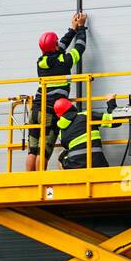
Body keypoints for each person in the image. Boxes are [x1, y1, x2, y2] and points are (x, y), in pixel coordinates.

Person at [24, 11, 87, 171]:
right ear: (54, 46)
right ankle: (40, 181)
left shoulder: (41, 62)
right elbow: (79, 48)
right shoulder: (63, 62)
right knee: (43, 151)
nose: (59, 43)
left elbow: (59, 47)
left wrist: (71, 30)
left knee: (32, 150)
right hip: (50, 113)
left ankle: (28, 181)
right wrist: (81, 28)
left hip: (36, 110)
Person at [54, 96, 122, 170]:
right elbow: (116, 121)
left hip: (74, 166)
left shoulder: (61, 132)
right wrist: (111, 102)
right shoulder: (86, 115)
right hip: (97, 162)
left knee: (61, 156)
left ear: (59, 116)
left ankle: (66, 180)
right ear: (72, 107)